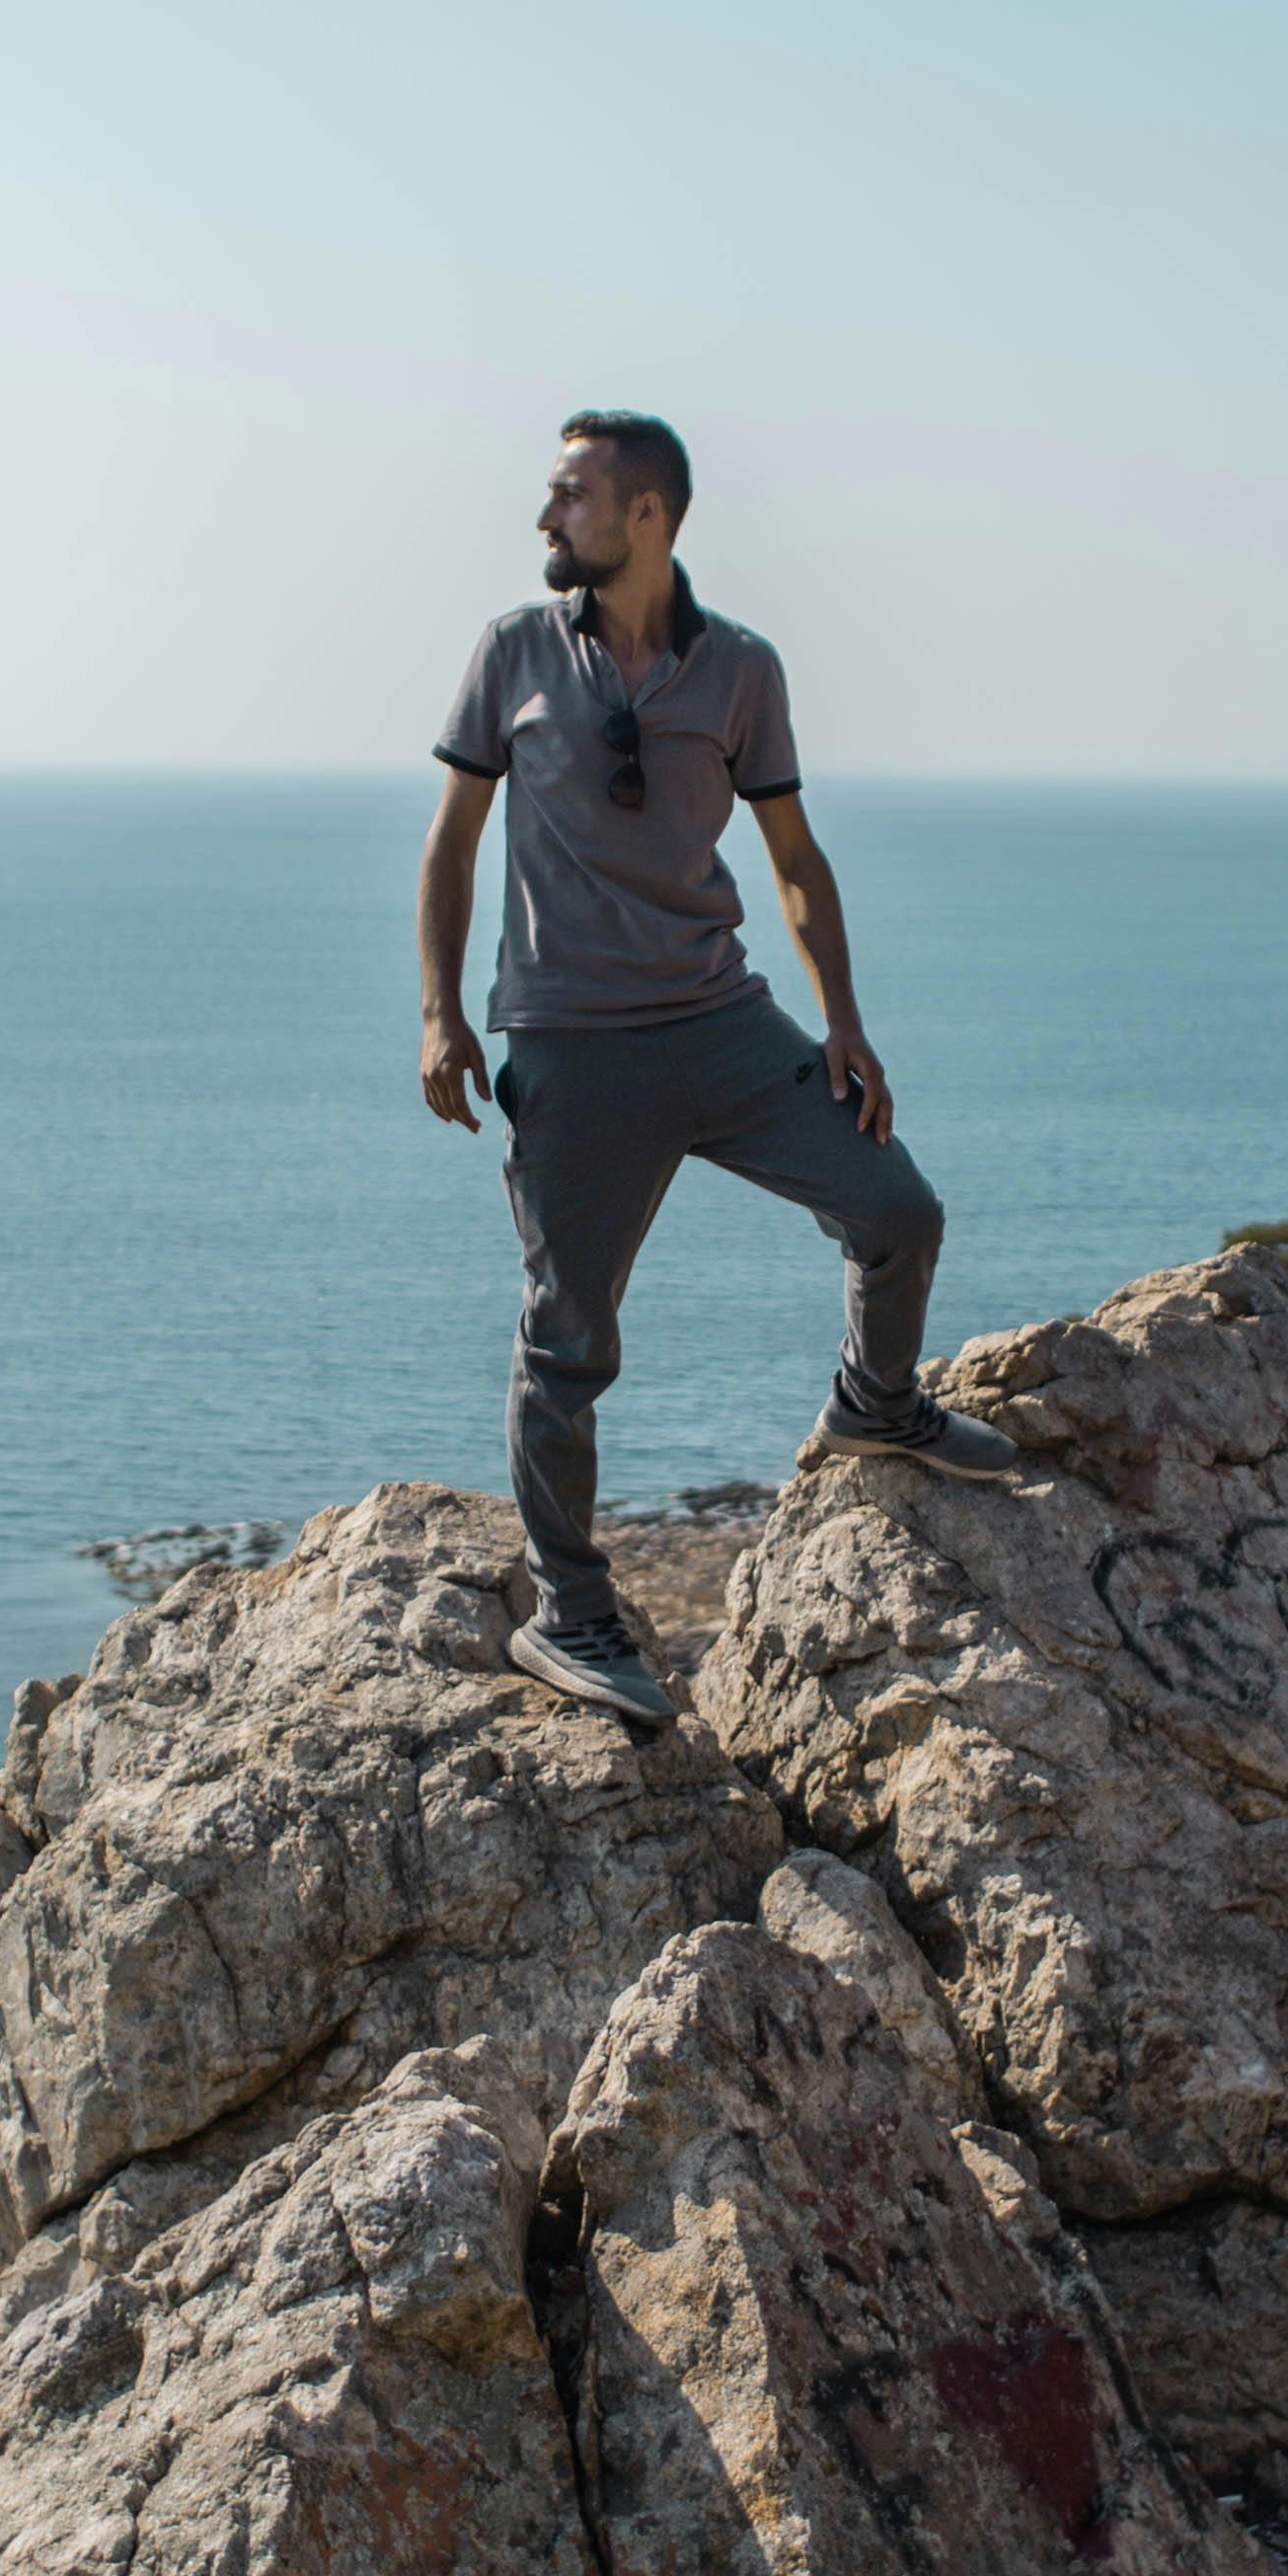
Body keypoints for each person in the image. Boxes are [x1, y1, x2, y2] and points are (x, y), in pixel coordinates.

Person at [418, 408, 1019, 1727]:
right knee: (566, 1339)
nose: (543, 516)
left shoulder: (740, 668)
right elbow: (451, 841)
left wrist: (843, 1020)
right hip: (571, 1043)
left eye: (570, 494)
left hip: (721, 1025)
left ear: (646, 514)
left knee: (897, 1209)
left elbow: (794, 860)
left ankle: (876, 1403)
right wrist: (439, 1012)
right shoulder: (513, 651)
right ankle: (569, 1611)